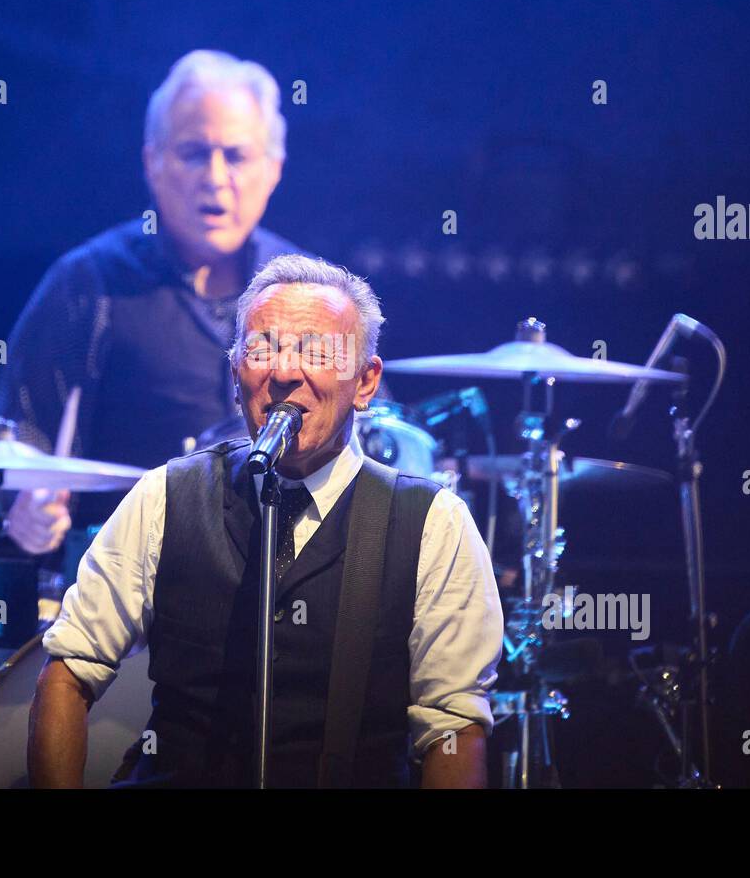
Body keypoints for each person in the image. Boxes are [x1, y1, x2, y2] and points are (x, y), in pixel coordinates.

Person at [29, 254, 503, 788]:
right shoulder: (165, 495)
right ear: (236, 375)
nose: (283, 372)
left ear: (366, 382)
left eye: (316, 351)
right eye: (263, 349)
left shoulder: (432, 524)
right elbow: (68, 671)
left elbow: (454, 728)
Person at [0, 50, 305, 555]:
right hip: (127, 586)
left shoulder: (308, 291)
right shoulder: (90, 279)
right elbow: (22, 429)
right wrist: (24, 501)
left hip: (284, 580)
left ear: (273, 169)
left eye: (237, 156)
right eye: (194, 153)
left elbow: (374, 431)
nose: (216, 176)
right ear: (152, 163)